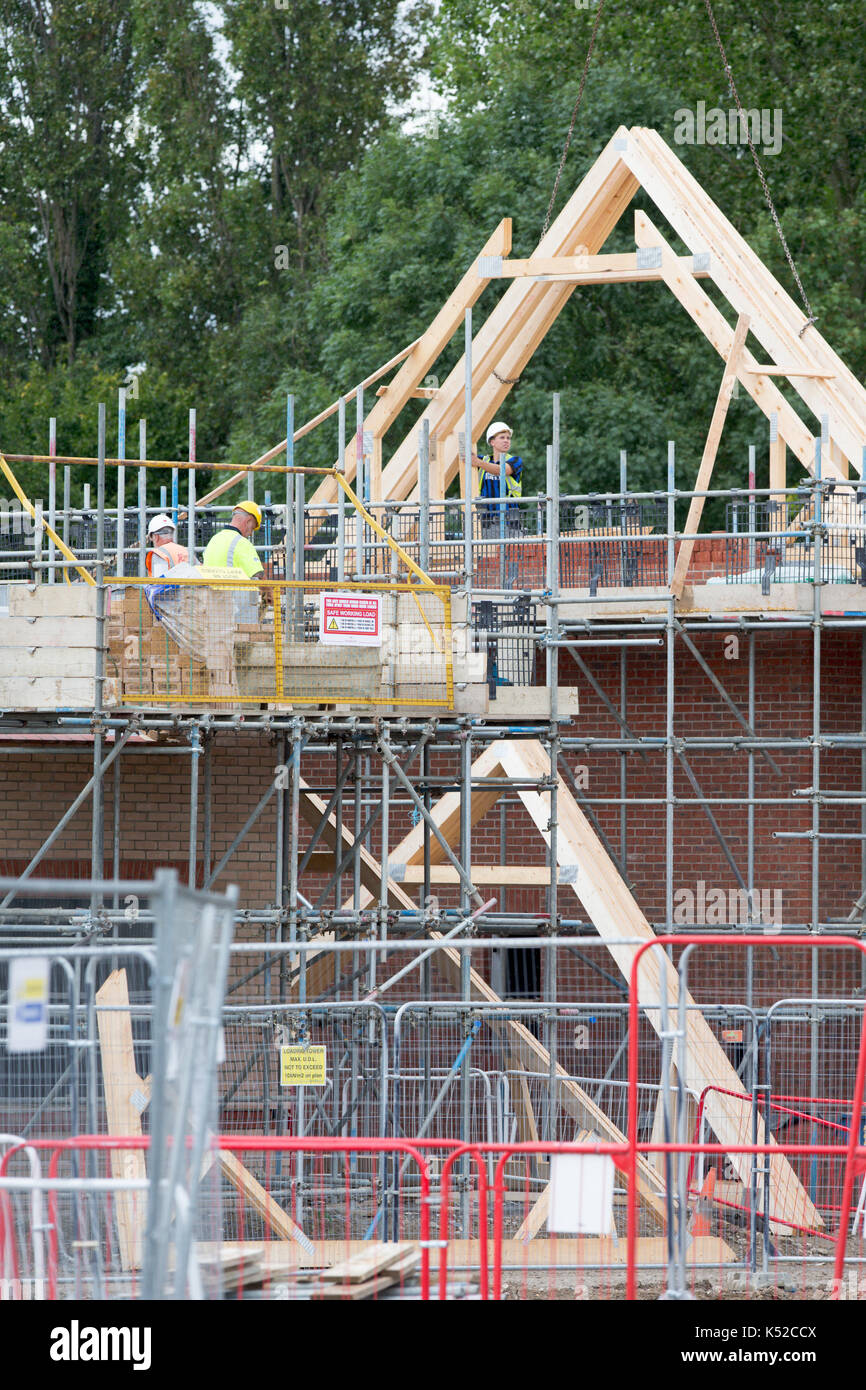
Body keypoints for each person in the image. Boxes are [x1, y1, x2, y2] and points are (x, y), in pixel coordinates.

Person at [471, 421, 523, 531]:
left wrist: (478, 462)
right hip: (487, 522)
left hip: (510, 522)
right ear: (492, 442)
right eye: (502, 437)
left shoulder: (515, 461)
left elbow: (503, 470)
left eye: (508, 438)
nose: (506, 441)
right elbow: (466, 458)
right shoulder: (484, 461)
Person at [201, 500, 265, 577]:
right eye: (252, 528)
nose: (251, 534)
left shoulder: (214, 539)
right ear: (248, 521)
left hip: (211, 589)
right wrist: (270, 589)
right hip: (232, 589)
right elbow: (259, 577)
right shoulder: (242, 543)